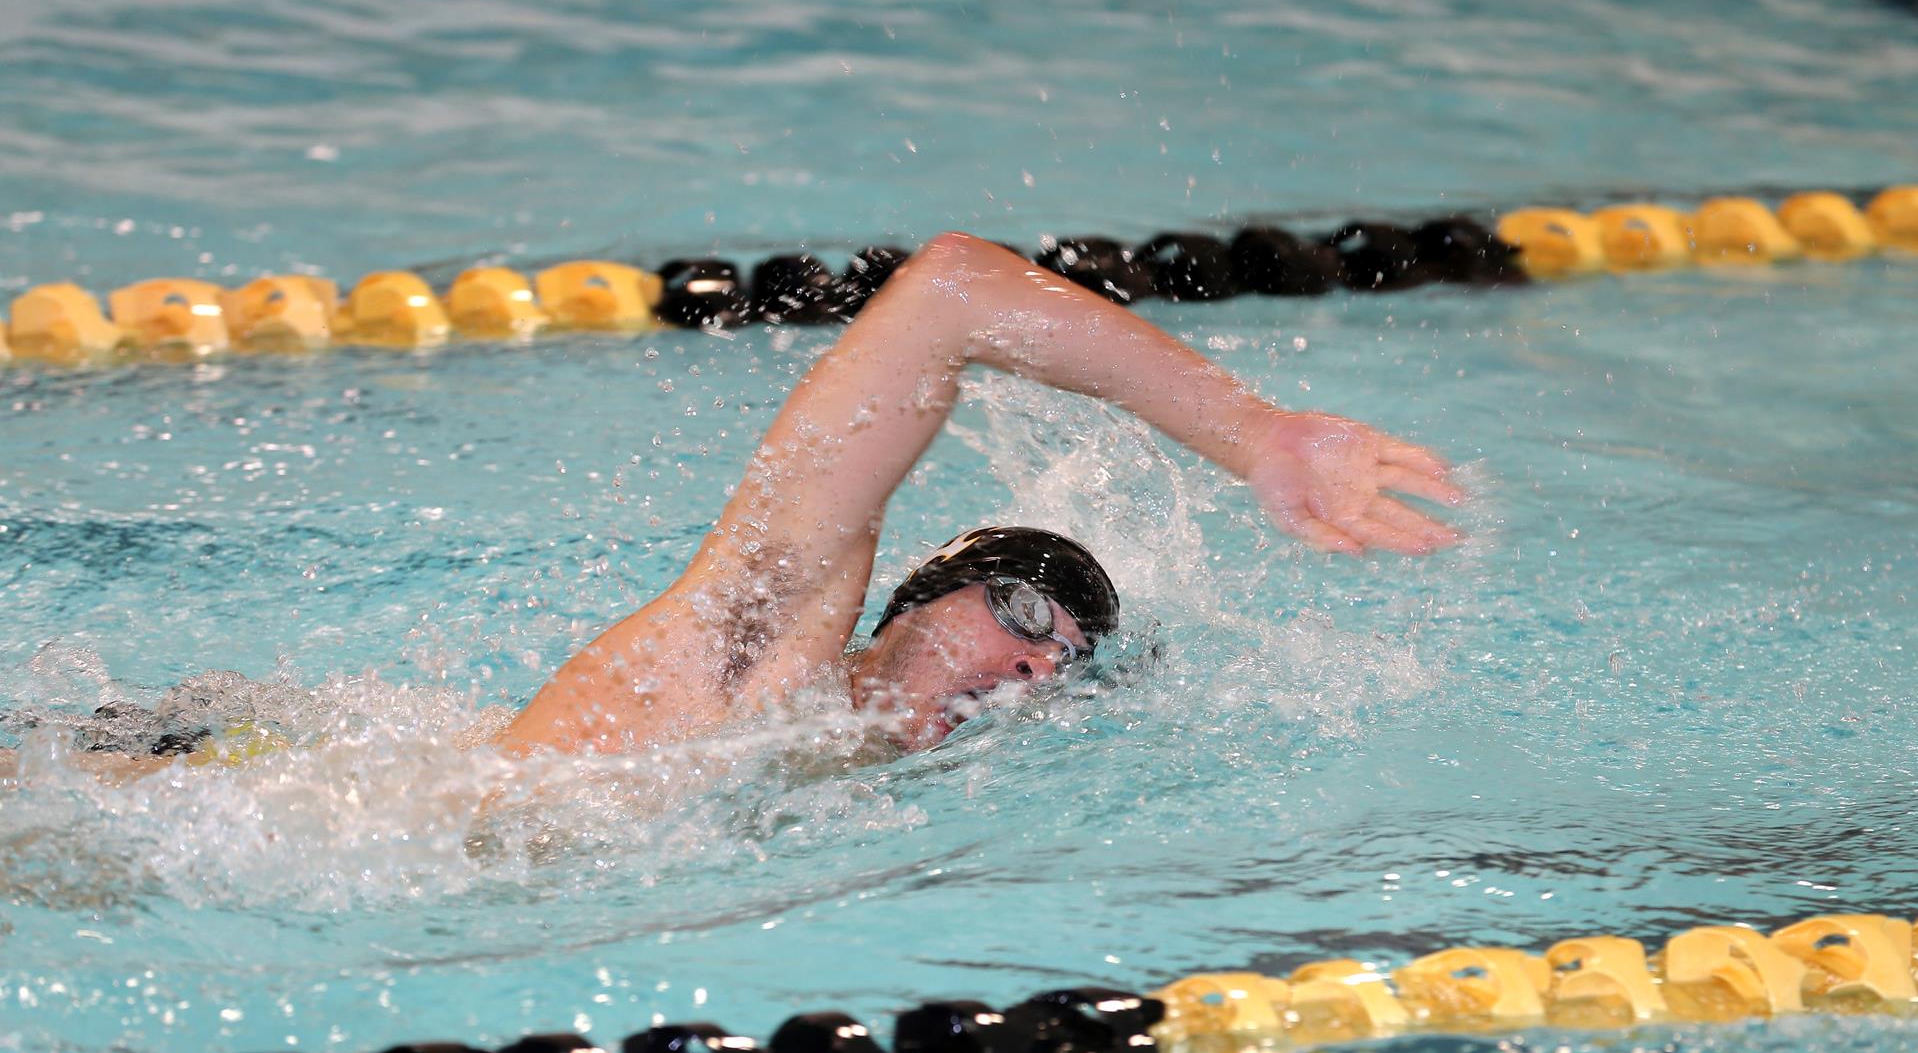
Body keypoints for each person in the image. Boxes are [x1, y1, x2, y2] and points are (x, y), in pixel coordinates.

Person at [501, 231, 1463, 759]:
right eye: (1023, 611)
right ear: (916, 597)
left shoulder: (833, 780)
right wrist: (1256, 436)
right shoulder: (745, 651)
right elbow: (951, 290)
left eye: (1063, 664)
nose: (1035, 670)